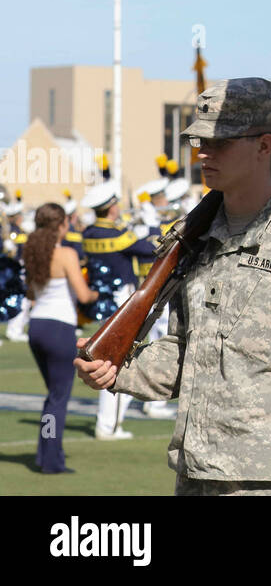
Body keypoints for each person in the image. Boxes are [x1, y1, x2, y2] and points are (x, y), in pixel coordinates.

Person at [75, 78, 271, 495]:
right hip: (195, 473)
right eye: (200, 141)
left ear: (265, 146)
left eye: (220, 142)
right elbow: (183, 350)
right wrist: (118, 370)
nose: (204, 153)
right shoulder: (195, 241)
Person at [79, 181, 159, 440]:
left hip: (103, 301)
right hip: (121, 301)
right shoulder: (113, 234)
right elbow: (150, 248)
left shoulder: (91, 232)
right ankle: (109, 425)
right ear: (112, 207)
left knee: (112, 360)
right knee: (119, 363)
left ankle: (109, 423)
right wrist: (151, 224)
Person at [23, 202, 97, 474]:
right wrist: (98, 295)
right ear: (62, 225)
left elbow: (31, 294)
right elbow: (83, 295)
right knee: (58, 397)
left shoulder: (32, 251)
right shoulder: (66, 253)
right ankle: (51, 461)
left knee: (53, 395)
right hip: (59, 328)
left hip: (37, 326)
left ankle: (46, 453)